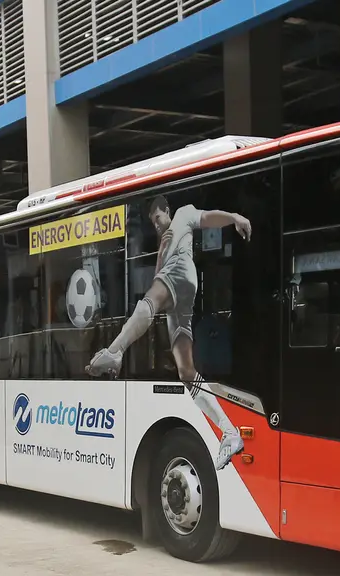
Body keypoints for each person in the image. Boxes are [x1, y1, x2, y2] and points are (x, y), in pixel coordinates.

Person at [86, 195, 252, 470]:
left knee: (148, 302)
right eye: (152, 223)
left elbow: (208, 217)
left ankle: (115, 352)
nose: (157, 225)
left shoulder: (183, 215)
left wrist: (234, 217)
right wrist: (159, 269)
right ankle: (229, 432)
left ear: (166, 210)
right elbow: (155, 283)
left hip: (181, 273)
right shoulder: (163, 243)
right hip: (179, 299)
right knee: (186, 372)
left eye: (157, 218)